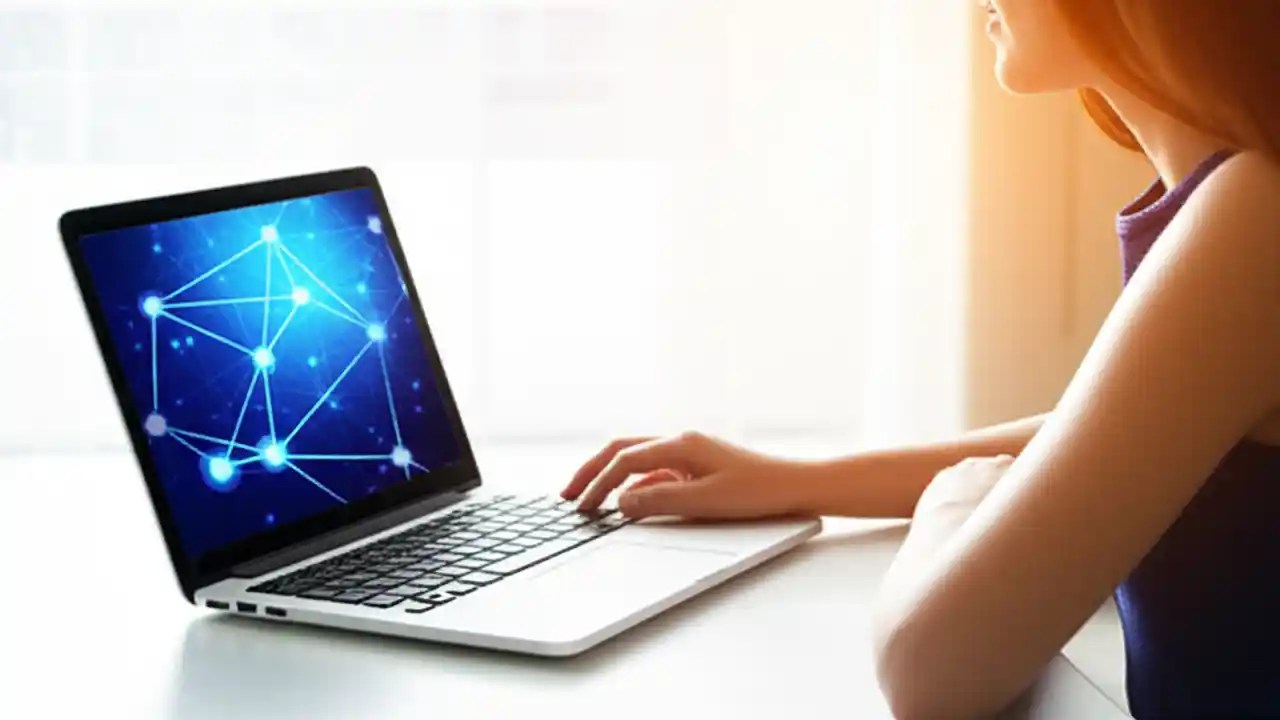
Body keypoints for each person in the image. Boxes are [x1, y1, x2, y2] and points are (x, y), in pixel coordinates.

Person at [561, 2, 1280, 718]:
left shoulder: (1253, 217)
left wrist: (954, 503)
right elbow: (1116, 436)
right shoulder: (1233, 198)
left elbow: (931, 669)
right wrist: (790, 481)